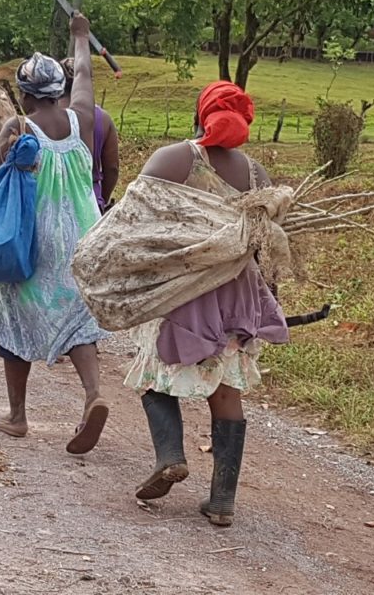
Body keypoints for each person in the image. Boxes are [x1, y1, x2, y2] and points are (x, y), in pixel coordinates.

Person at [0, 14, 108, 454]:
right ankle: (93, 395)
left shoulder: (17, 129)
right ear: (58, 91)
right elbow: (85, 72)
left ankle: (16, 415)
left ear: (25, 94)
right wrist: (81, 37)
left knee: (12, 319)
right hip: (84, 236)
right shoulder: (82, 120)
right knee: (78, 319)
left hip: (33, 236)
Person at [123, 81, 289, 527]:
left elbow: (133, 221)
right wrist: (269, 299)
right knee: (226, 386)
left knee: (157, 371)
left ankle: (171, 456)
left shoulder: (175, 159)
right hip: (237, 294)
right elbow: (266, 249)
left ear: (200, 114)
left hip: (183, 289)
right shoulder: (258, 175)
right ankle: (222, 501)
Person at [59, 58, 119, 212]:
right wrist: (101, 199)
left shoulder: (46, 118)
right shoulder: (103, 119)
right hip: (90, 201)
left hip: (53, 200)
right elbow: (112, 168)